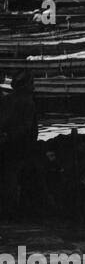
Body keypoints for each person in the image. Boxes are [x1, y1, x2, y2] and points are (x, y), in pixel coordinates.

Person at [0, 71, 38, 220]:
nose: (34, 87)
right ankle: (10, 212)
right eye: (32, 84)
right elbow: (26, 128)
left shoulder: (7, 100)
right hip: (18, 148)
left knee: (8, 178)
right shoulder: (27, 102)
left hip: (9, 146)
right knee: (12, 179)